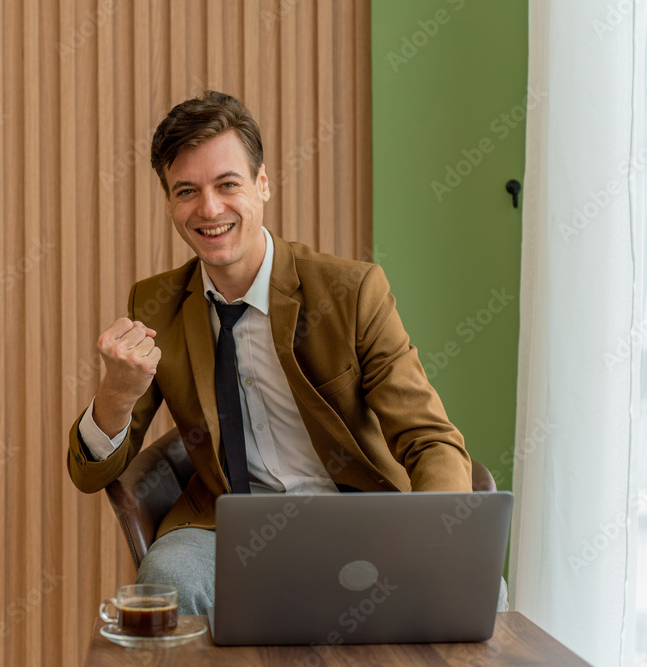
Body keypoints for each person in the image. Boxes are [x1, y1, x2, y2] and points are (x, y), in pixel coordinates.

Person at [67, 90, 483, 615]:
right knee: (168, 577)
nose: (209, 208)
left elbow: (431, 440)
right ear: (170, 203)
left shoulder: (351, 292)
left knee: (480, 587)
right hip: (230, 525)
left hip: (359, 518)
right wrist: (116, 394)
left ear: (262, 183)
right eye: (186, 191)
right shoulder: (156, 304)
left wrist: (430, 541)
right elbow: (90, 475)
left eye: (227, 184)